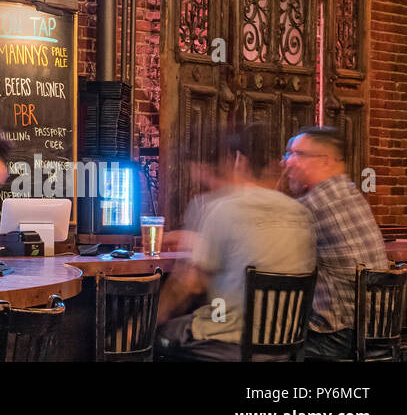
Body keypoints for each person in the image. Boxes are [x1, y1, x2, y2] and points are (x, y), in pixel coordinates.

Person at [155, 125, 315, 360]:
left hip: (229, 344)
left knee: (159, 334)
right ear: (277, 166)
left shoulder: (225, 209)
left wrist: (149, 318)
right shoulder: (301, 213)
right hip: (285, 346)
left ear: (239, 160)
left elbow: (191, 285)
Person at [282, 126, 388, 361]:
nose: (288, 162)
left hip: (339, 338)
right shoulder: (349, 193)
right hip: (377, 332)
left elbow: (268, 257)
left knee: (259, 345)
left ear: (325, 161)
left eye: (297, 154)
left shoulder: (314, 205)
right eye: (288, 153)